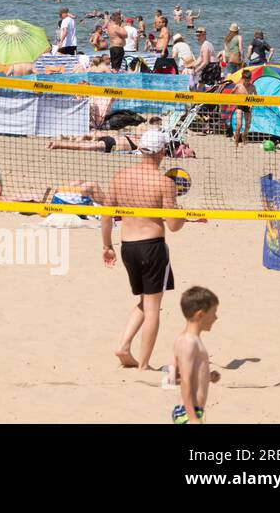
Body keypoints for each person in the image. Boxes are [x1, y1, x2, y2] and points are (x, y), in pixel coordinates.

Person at [99, 128, 186, 370]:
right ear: (161, 152)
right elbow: (174, 226)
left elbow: (105, 217)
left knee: (144, 301)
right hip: (152, 248)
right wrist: (184, 216)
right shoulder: (163, 182)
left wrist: (107, 246)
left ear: (141, 150)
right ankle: (144, 364)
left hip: (128, 248)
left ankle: (124, 346)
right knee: (153, 308)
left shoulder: (120, 177)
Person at [171, 287, 220, 424]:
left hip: (188, 410)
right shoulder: (190, 342)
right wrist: (192, 418)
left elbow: (171, 379)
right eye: (213, 313)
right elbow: (185, 381)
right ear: (200, 314)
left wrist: (206, 377)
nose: (216, 317)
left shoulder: (182, 340)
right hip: (189, 412)